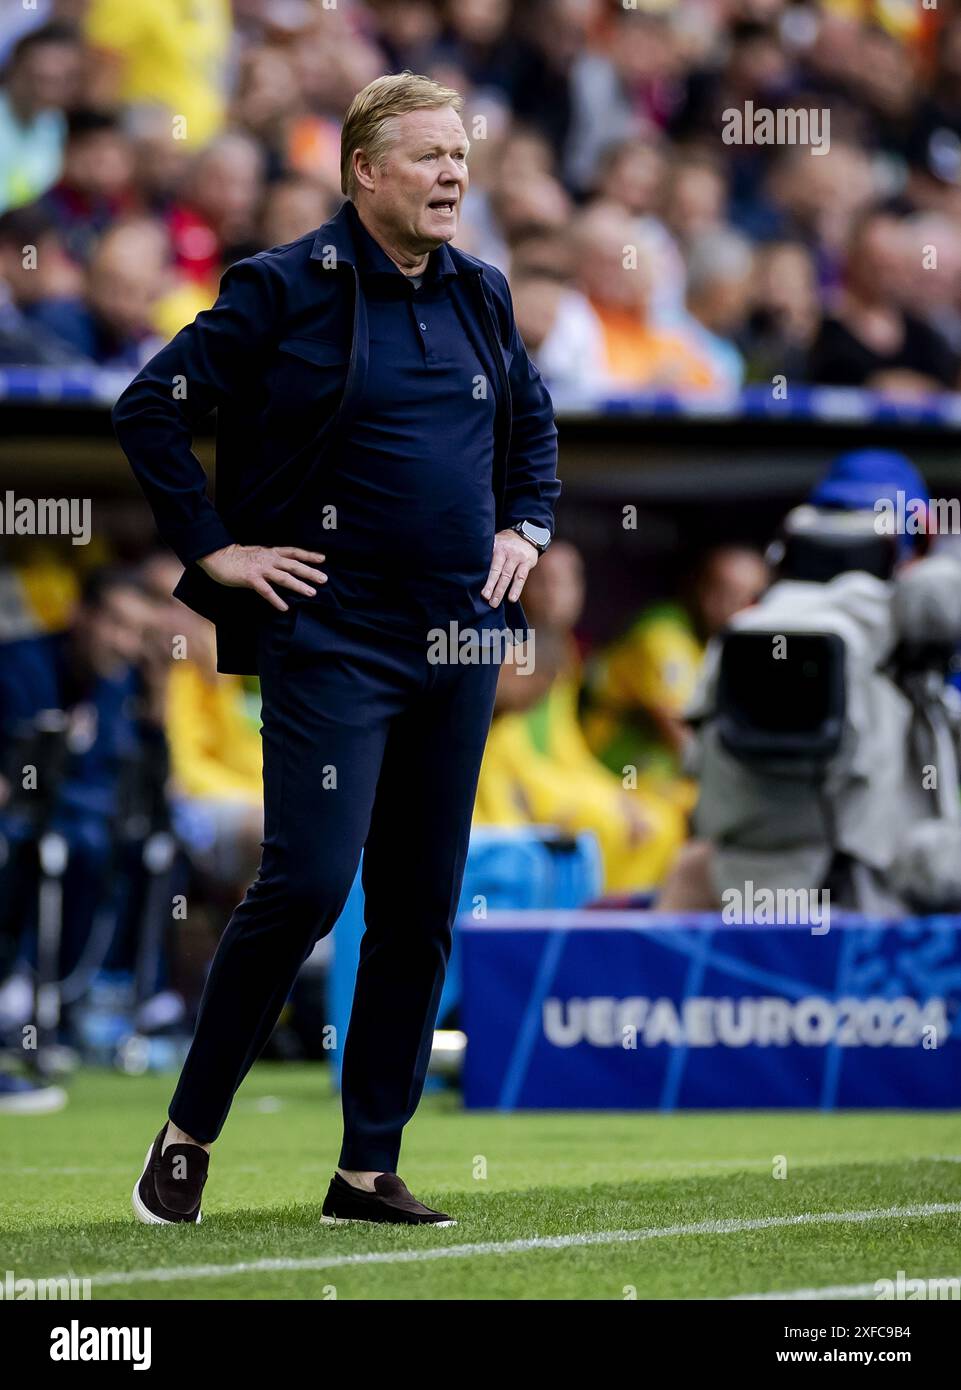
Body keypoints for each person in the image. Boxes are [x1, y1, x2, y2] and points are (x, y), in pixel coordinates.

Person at [113, 72, 559, 1227]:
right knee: (308, 880)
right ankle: (188, 1130)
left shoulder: (483, 293)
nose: (453, 175)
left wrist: (528, 522)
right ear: (364, 172)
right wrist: (216, 550)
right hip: (333, 634)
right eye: (428, 157)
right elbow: (148, 406)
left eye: (460, 156)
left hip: (457, 638)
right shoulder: (280, 287)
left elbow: (532, 424)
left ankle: (368, 1167)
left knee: (418, 904)